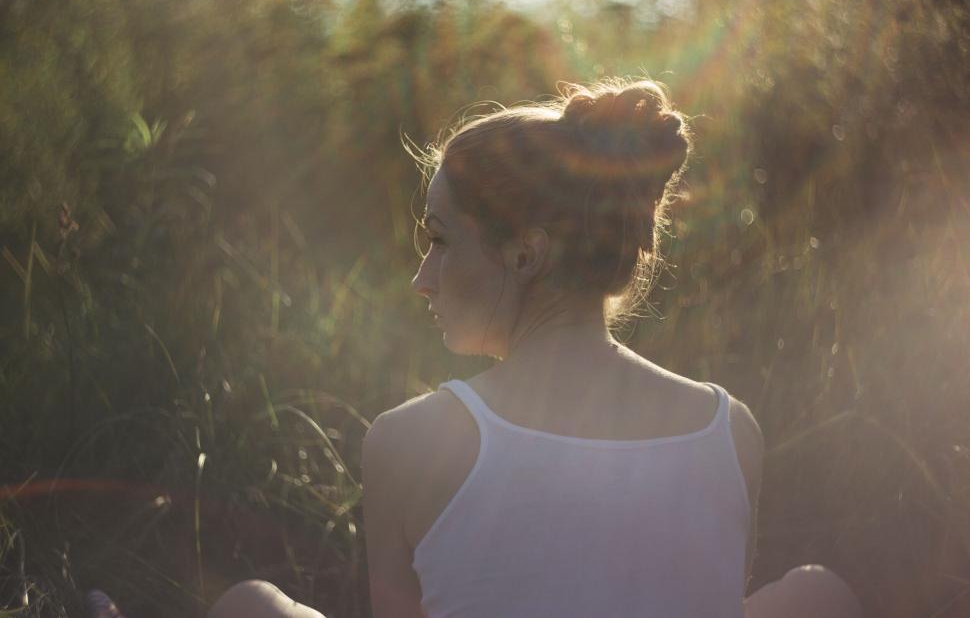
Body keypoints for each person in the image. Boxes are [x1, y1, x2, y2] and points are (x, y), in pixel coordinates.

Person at [92, 79, 862, 618]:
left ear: (526, 254)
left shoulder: (410, 442)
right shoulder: (734, 431)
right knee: (819, 594)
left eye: (438, 240)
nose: (422, 279)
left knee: (251, 606)